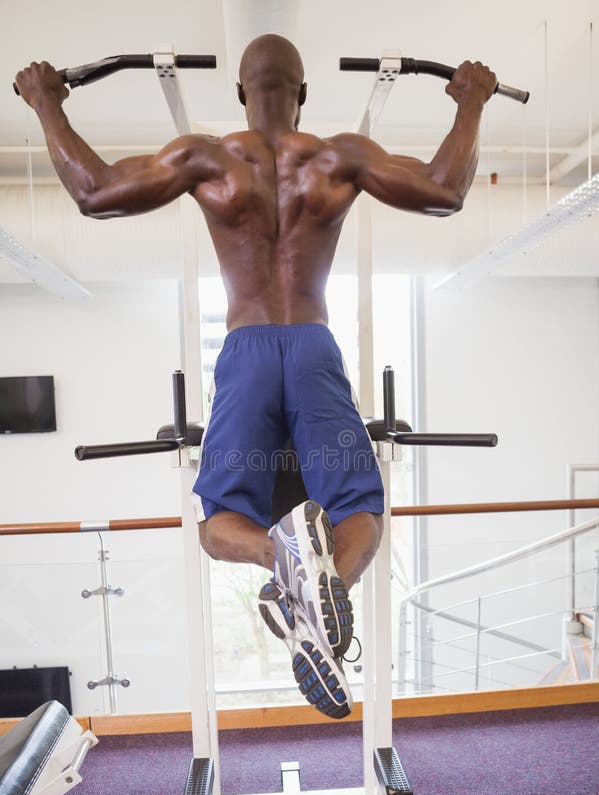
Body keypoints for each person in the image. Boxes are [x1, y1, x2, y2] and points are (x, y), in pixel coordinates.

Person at [15, 34, 496, 719]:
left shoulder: (206, 156)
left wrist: (47, 103)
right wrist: (471, 101)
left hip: (243, 351)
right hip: (311, 345)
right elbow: (445, 191)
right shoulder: (339, 157)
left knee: (219, 523)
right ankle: (323, 586)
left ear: (241, 93)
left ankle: (282, 557)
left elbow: (96, 193)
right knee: (360, 509)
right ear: (302, 95)